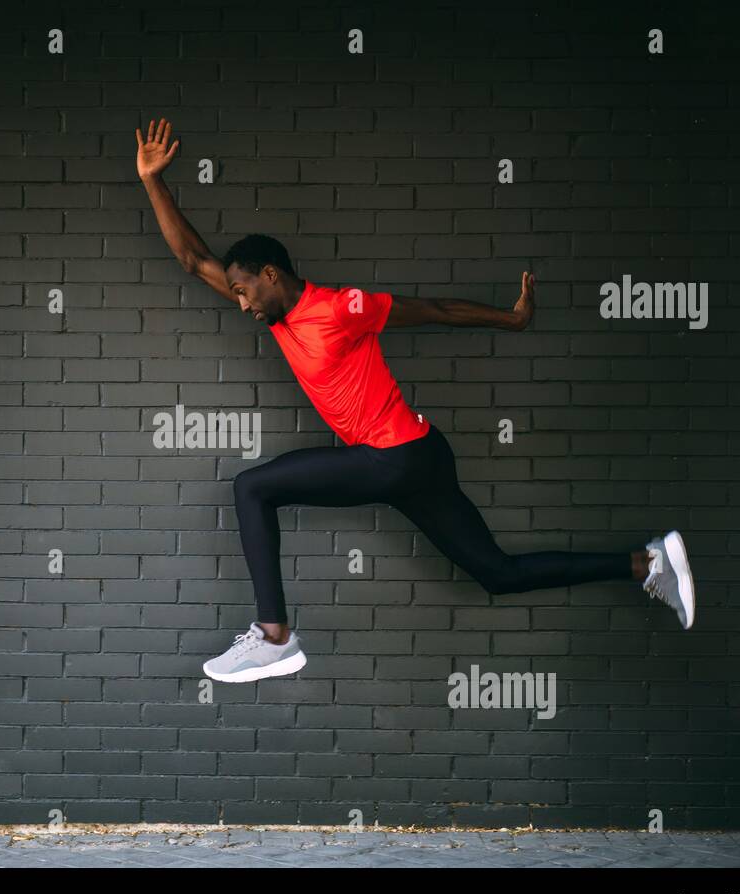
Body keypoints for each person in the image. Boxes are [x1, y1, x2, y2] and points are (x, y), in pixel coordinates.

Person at [135, 118, 696, 684]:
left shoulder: (338, 308)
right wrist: (153, 180)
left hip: (396, 457)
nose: (239, 304)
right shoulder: (279, 320)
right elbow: (192, 259)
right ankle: (647, 562)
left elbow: (432, 310)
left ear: (270, 275)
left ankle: (274, 637)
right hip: (417, 458)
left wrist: (512, 318)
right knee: (497, 573)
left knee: (251, 487)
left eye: (242, 291)